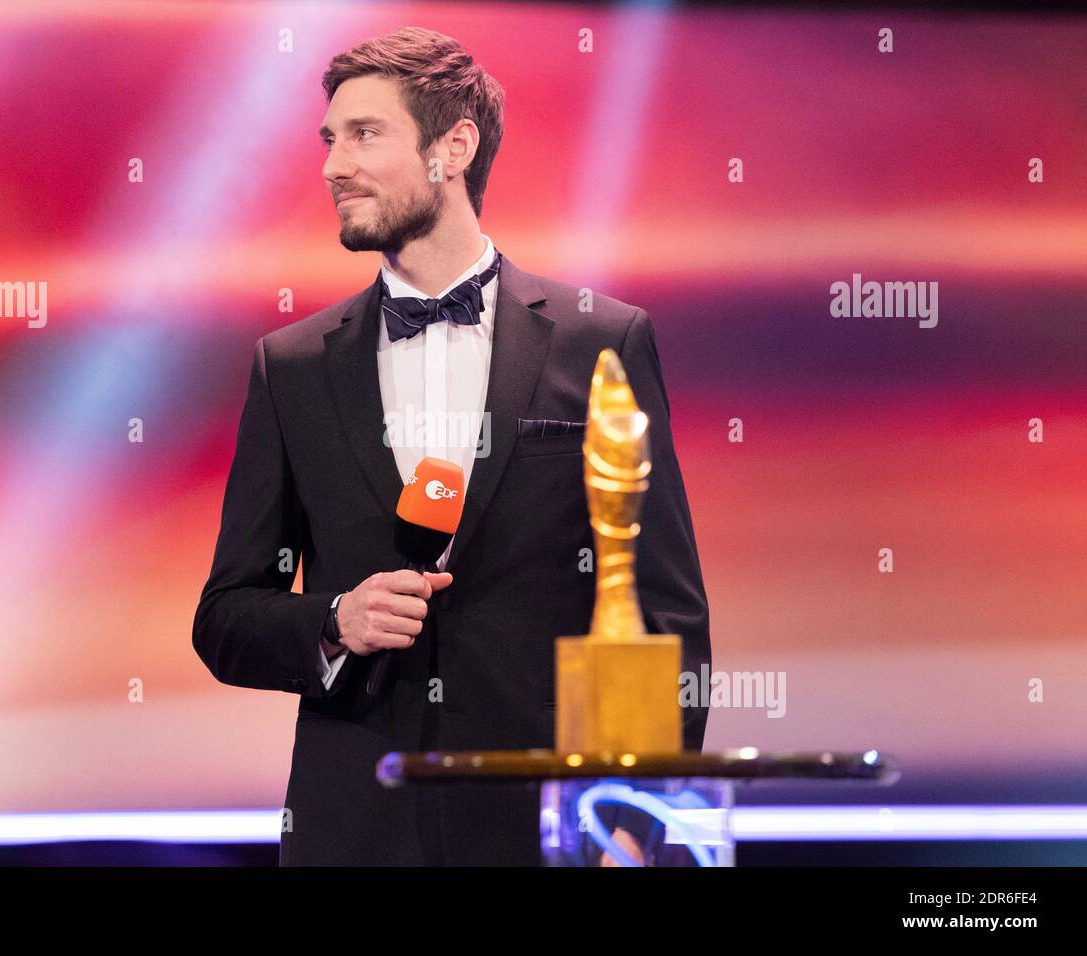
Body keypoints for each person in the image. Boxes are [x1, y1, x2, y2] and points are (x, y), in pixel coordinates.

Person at [192, 26, 710, 866]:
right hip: (354, 831)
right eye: (329, 140)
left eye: (364, 134)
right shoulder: (288, 367)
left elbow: (668, 612)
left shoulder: (602, 342)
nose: (331, 166)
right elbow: (225, 618)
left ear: (453, 147)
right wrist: (333, 621)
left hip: (548, 829)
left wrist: (637, 817)